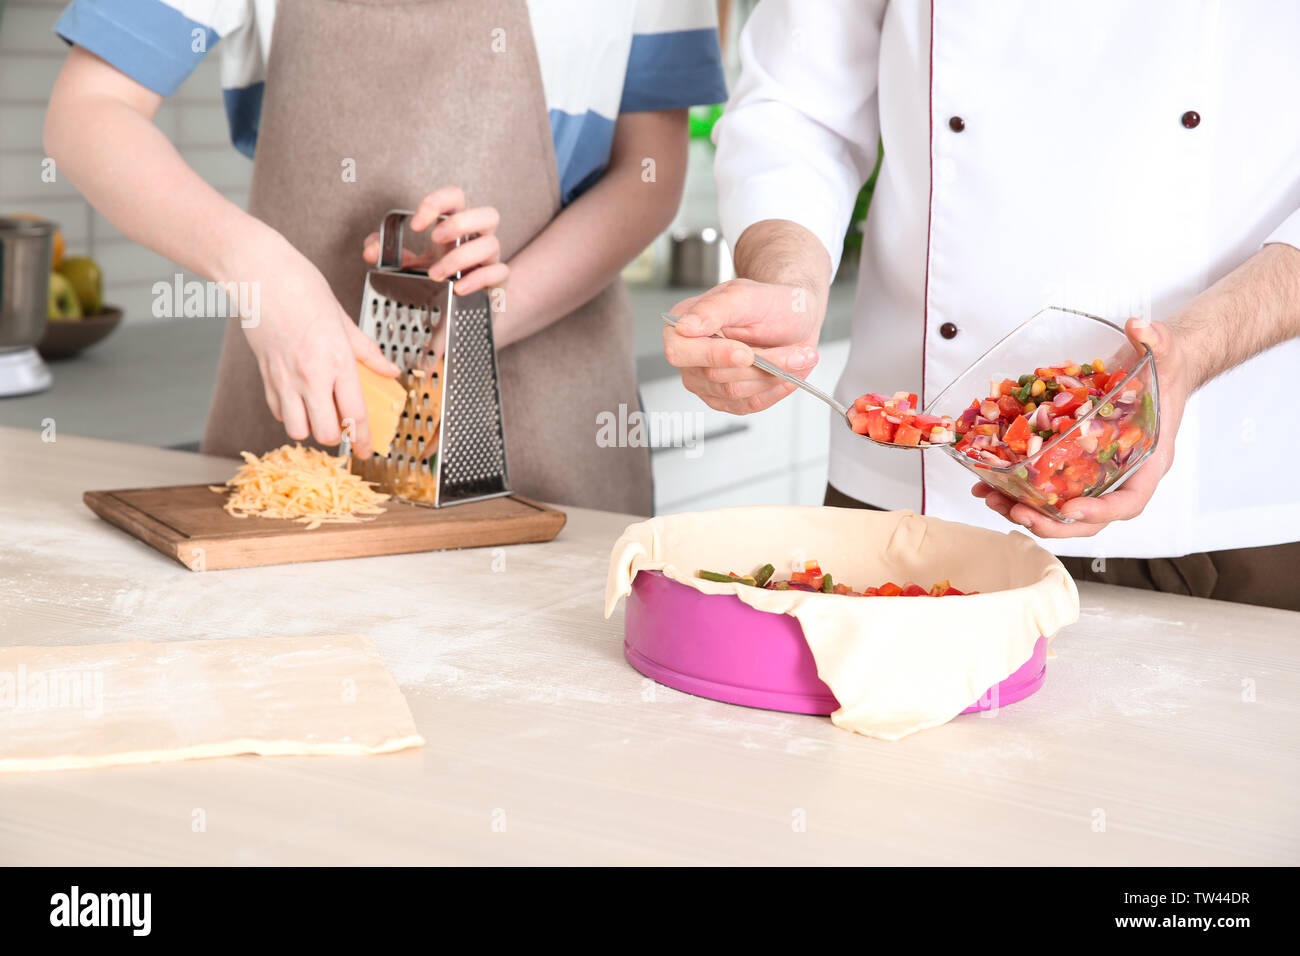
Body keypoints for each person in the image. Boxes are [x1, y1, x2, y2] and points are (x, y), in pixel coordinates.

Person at [663, 0, 1300, 609]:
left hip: (1223, 507)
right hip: (910, 509)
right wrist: (787, 282)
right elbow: (796, 109)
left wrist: (1191, 350)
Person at [45, 0, 728, 515]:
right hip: (294, 413)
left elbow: (649, 171)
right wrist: (260, 273)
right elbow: (88, 111)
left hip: (559, 418)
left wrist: (491, 312)